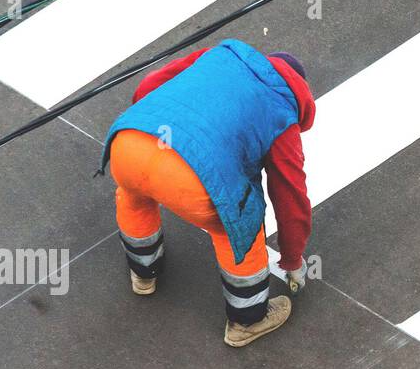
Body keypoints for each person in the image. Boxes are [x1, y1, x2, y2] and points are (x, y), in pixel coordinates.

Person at [102, 40, 314, 348]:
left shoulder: (223, 54)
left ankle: (144, 275)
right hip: (191, 178)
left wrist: (149, 121)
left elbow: (151, 83)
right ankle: (247, 320)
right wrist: (292, 257)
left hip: (129, 140)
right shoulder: (282, 112)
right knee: (239, 226)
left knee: (134, 195)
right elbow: (289, 194)